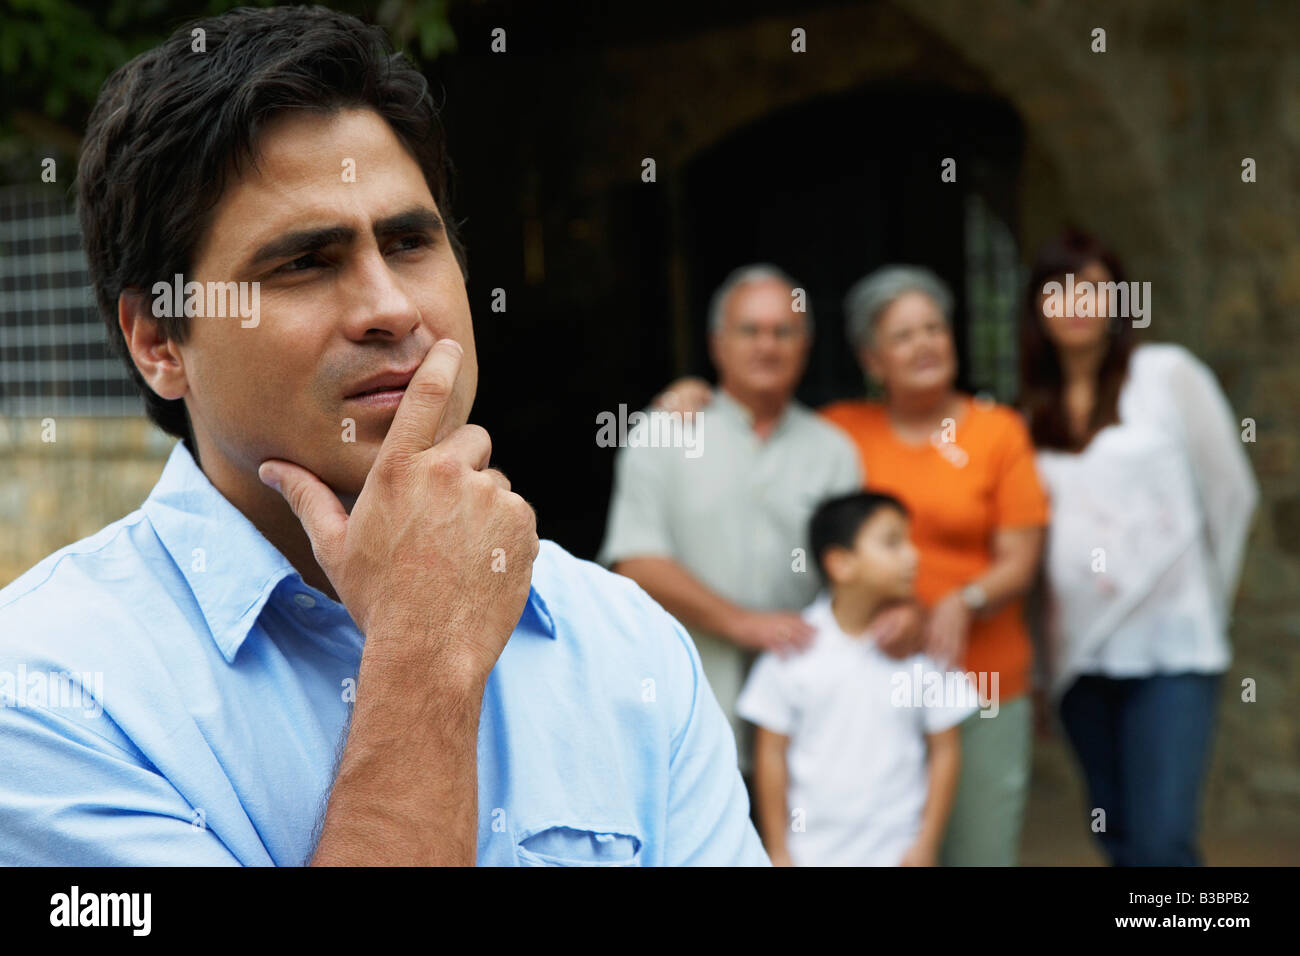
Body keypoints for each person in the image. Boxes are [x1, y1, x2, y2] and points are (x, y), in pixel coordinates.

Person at [0, 6, 768, 866]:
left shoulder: (625, 644)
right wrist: (425, 656)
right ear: (159, 341)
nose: (391, 308)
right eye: (305, 262)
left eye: (409, 243)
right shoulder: (48, 696)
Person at [655, 265, 1048, 865]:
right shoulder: (840, 434)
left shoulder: (999, 431)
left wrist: (956, 603)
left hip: (978, 671)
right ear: (871, 359)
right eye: (903, 336)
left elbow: (1020, 562)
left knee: (977, 854)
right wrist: (693, 393)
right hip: (864, 680)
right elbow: (763, 420)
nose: (924, 345)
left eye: (935, 329)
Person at [599, 264, 921, 785]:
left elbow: (857, 571)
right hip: (685, 709)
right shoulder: (663, 432)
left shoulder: (834, 451)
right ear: (717, 343)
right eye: (749, 330)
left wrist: (901, 610)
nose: (766, 346)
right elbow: (636, 560)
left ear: (806, 345)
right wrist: (741, 623)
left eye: (783, 331)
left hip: (808, 718)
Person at [1021, 229, 1259, 866]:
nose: (1075, 303)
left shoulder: (1167, 375)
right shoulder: (1030, 414)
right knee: (1118, 833)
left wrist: (1208, 599)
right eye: (1058, 288)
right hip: (1080, 659)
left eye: (1092, 289)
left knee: (1162, 841)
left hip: (1172, 649)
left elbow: (1230, 492)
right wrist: (1042, 669)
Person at [737, 491, 977, 866]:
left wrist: (926, 844)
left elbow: (945, 750)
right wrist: (779, 849)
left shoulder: (923, 651)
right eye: (892, 543)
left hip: (897, 854)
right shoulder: (794, 651)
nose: (912, 555)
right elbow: (771, 754)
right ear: (841, 564)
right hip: (810, 855)